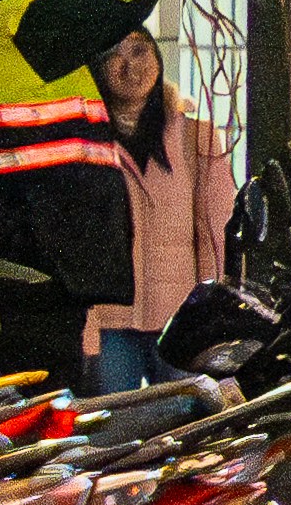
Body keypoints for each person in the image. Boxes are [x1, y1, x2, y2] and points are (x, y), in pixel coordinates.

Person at [0, 0, 236, 374]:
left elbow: (115, 6)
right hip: (45, 243)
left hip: (37, 238)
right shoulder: (20, 20)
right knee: (42, 395)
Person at [82, 41, 235, 391]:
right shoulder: (84, 140)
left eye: (139, 52)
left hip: (182, 318)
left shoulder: (196, 136)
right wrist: (88, 330)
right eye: (112, 55)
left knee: (189, 427)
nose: (129, 67)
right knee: (115, 430)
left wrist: (213, 315)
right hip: (111, 319)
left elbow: (215, 234)